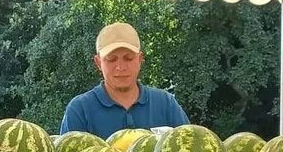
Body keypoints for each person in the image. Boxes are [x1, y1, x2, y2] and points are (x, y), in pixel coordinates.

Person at [59, 22, 190, 139]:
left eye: (128, 58)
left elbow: (189, 146)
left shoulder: (166, 104)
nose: (120, 67)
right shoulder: (79, 110)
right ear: (98, 62)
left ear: (140, 59)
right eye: (111, 59)